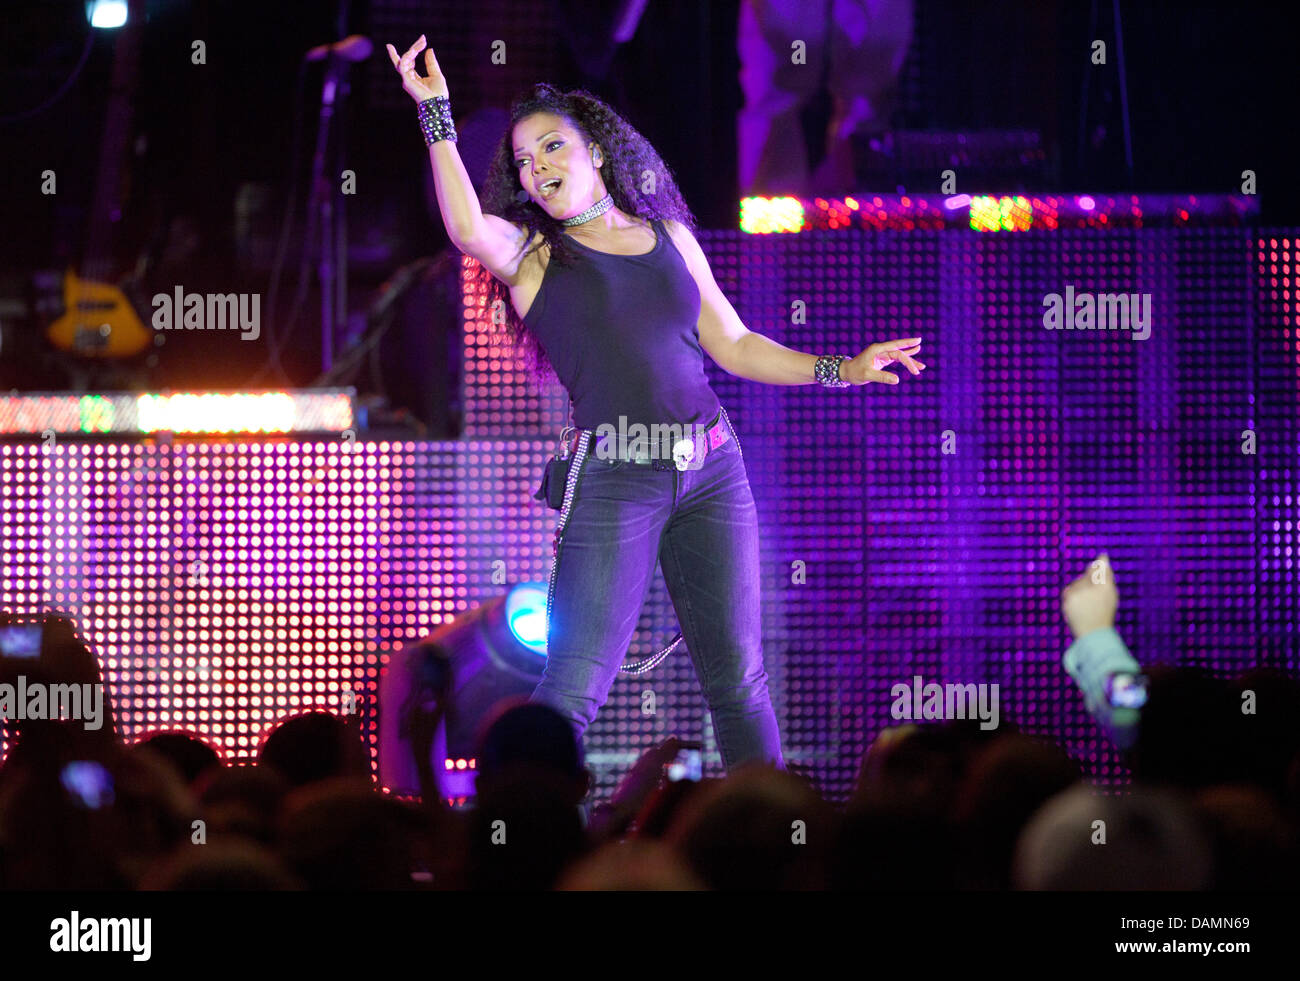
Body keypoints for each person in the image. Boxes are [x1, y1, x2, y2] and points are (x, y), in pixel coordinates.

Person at [386, 35, 927, 774]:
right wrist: (436, 114)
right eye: (524, 162)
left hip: (714, 470)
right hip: (616, 479)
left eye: (552, 147)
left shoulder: (669, 236)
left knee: (740, 682)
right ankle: (528, 834)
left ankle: (764, 832)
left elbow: (734, 343)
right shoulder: (535, 256)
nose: (538, 167)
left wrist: (845, 368)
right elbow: (465, 227)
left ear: (598, 153)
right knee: (573, 686)